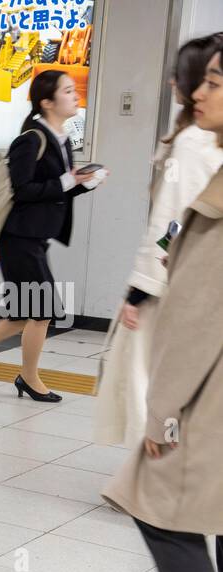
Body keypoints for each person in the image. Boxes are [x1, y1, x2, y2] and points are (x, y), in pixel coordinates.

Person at [103, 44, 223, 572]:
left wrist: (162, 414)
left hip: (209, 394)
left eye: (213, 81)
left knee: (158, 510)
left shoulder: (204, 176)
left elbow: (202, 316)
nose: (198, 92)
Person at [95, 35, 223, 446]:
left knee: (145, 375)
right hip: (203, 284)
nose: (173, 82)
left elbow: (172, 223)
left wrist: (140, 290)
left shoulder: (190, 143)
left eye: (180, 73)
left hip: (174, 284)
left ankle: (153, 470)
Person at [0, 70, 105, 401]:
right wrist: (69, 182)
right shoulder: (31, 139)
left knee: (26, 312)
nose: (75, 95)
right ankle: (28, 378)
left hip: (33, 238)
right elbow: (23, 190)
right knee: (42, 311)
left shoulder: (61, 139)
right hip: (18, 238)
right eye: (68, 91)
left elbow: (54, 191)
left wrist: (84, 183)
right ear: (47, 102)